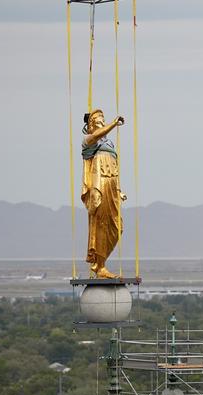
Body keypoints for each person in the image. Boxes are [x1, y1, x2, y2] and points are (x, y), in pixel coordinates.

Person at [81, 108, 126, 279]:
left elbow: (115, 168)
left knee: (117, 226)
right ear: (91, 124)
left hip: (111, 184)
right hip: (98, 184)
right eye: (98, 119)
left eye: (103, 118)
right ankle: (100, 266)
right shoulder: (89, 140)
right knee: (101, 223)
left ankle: (102, 262)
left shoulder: (110, 145)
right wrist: (114, 124)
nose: (102, 120)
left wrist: (119, 190)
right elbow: (97, 135)